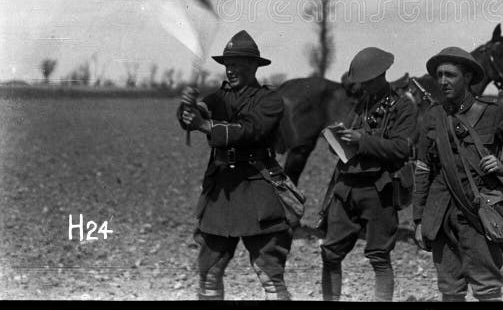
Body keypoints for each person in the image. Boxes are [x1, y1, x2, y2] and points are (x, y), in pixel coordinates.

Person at [412, 47, 503, 302]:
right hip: (441, 216)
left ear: (467, 77)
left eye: (450, 75)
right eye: (439, 75)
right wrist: (417, 220)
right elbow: (422, 170)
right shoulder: (432, 117)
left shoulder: (494, 113)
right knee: (449, 289)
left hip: (480, 213)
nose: (443, 81)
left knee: (487, 288)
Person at [178, 30, 293, 300]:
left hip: (258, 189)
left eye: (237, 65)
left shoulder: (269, 100)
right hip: (220, 192)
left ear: (254, 67)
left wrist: (205, 125)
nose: (230, 70)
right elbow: (198, 114)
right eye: (228, 65)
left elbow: (250, 130)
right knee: (209, 273)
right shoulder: (218, 97)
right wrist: (187, 109)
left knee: (270, 275)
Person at [319, 47, 417, 302]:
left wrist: (362, 140)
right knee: (330, 253)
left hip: (378, 189)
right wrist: (336, 138)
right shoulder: (362, 103)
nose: (364, 87)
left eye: (368, 81)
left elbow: (402, 148)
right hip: (346, 186)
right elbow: (345, 139)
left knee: (379, 256)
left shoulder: (403, 106)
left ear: (382, 75)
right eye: (361, 82)